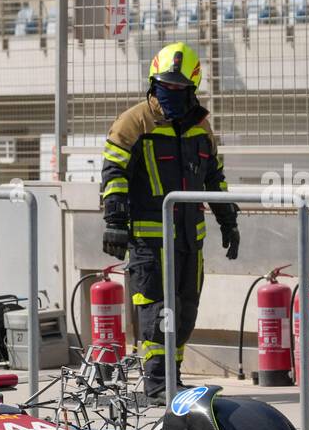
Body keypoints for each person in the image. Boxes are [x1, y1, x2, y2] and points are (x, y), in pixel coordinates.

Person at [98, 41, 239, 400]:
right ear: (152, 84)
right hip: (148, 241)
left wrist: (228, 221)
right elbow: (114, 173)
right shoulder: (133, 123)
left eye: (179, 89)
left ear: (192, 89)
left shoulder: (201, 128)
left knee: (186, 310)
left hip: (190, 239)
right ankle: (157, 383)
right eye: (164, 87)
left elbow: (215, 178)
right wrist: (114, 221)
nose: (171, 94)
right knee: (156, 311)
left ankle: (172, 378)